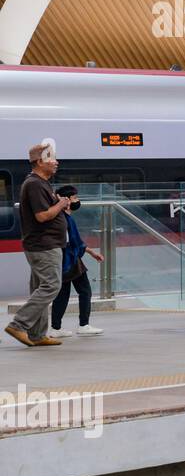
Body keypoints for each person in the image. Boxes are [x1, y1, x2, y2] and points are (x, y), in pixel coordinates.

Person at [4, 143, 70, 347]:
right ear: (40, 162)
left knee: (39, 288)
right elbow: (42, 216)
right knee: (52, 285)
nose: (56, 162)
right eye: (51, 159)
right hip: (44, 244)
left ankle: (37, 334)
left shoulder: (41, 183)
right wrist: (60, 204)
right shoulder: (34, 184)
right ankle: (18, 324)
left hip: (44, 243)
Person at [49, 185, 104, 338]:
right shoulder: (64, 219)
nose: (77, 201)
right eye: (74, 198)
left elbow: (75, 241)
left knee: (63, 294)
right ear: (65, 200)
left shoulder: (63, 217)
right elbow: (72, 242)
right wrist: (90, 252)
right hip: (69, 260)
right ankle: (83, 325)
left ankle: (56, 328)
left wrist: (91, 252)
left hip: (66, 259)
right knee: (85, 291)